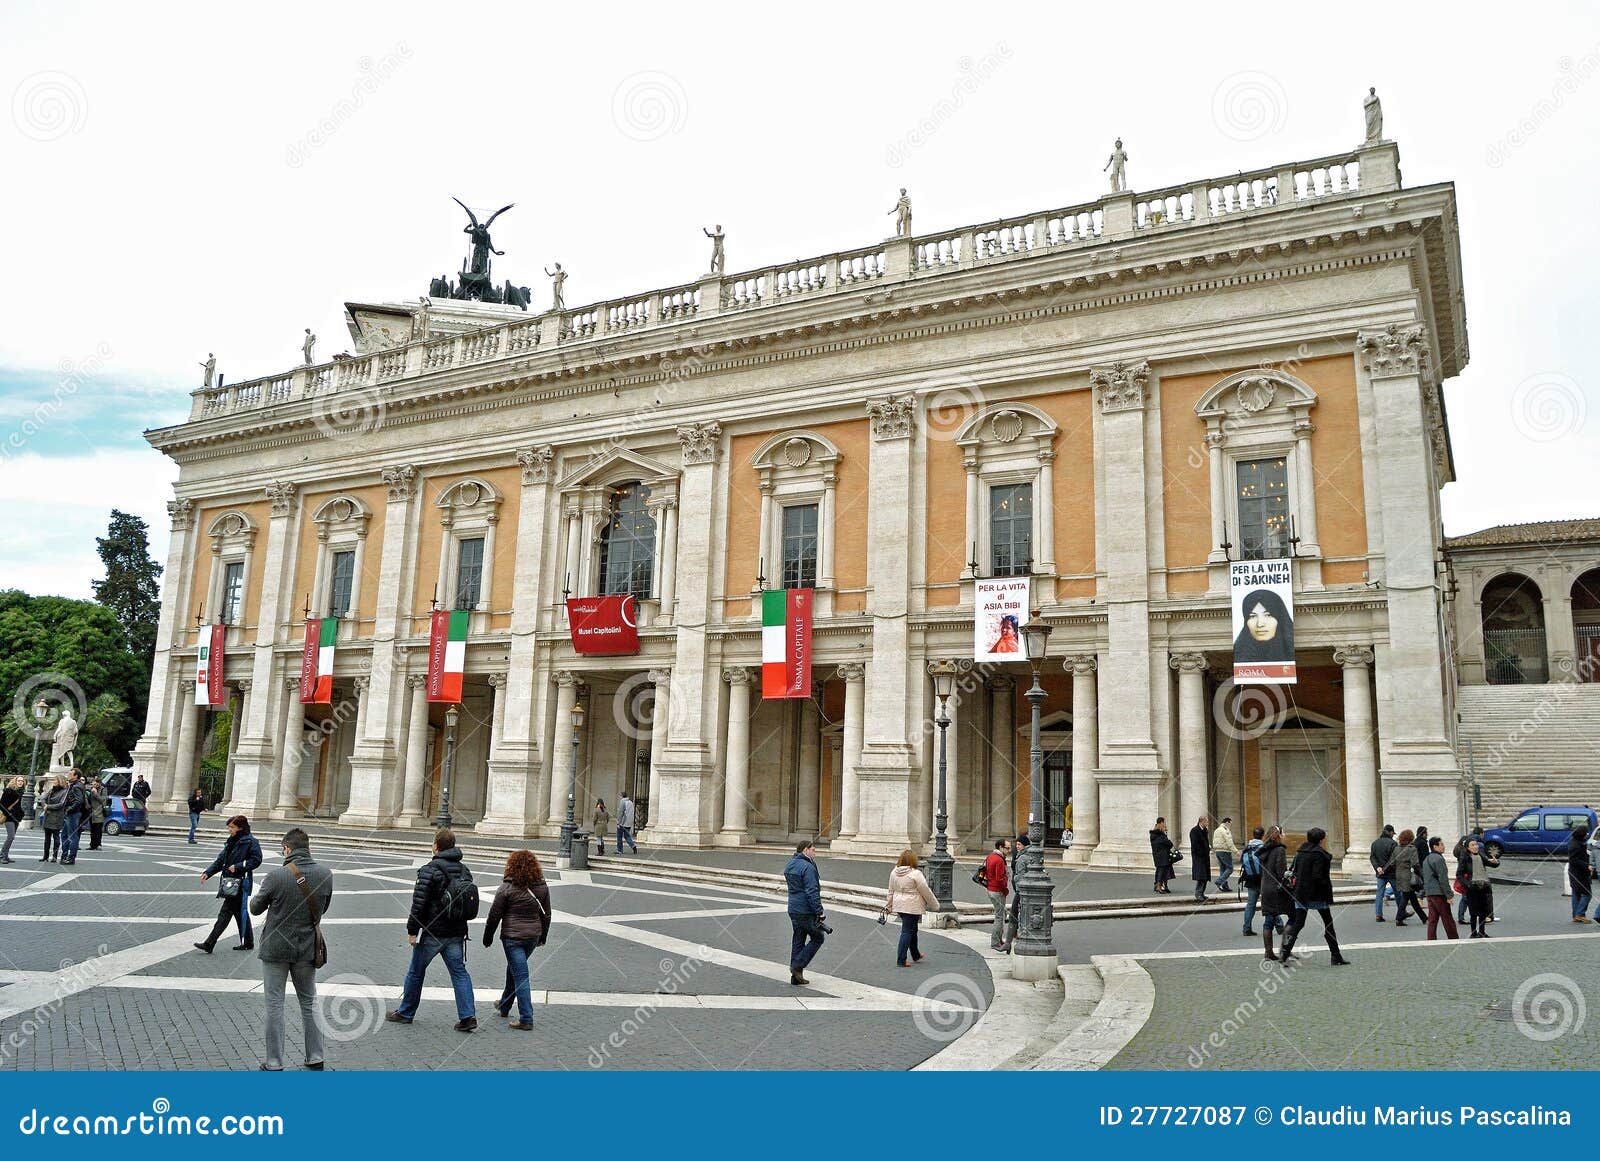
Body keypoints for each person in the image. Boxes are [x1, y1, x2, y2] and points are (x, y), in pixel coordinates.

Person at [249, 827, 333, 1071]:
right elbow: (323, 908)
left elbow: (255, 908)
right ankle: (316, 1056)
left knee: (274, 1003)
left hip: (276, 948)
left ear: (287, 848)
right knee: (309, 1002)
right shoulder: (326, 874)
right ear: (307, 848)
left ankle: (274, 1061)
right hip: (307, 947)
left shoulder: (276, 876)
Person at [388, 827, 478, 1031]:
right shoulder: (464, 870)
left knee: (416, 972)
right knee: (459, 973)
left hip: (431, 933)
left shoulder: (429, 869)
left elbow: (418, 904)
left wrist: (412, 931)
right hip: (455, 932)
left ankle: (405, 1012)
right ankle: (468, 1016)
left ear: (436, 847)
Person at [482, 850, 551, 1030]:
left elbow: (494, 916)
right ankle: (504, 1004)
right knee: (514, 968)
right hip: (532, 936)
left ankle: (526, 1018)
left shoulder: (506, 888)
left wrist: (487, 938)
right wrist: (542, 936)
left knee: (520, 975)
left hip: (513, 938)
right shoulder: (542, 887)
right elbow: (546, 915)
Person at [1278, 826, 1350, 966]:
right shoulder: (1320, 855)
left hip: (1300, 893)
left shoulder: (1300, 852)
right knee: (1328, 924)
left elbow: (1294, 870)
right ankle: (1335, 955)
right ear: (1321, 840)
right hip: (1317, 894)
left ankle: (1284, 953)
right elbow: (1318, 877)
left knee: (1298, 924)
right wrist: (1326, 888)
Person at [194, 815, 263, 952]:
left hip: (240, 883)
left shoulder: (251, 842)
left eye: (232, 827)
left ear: (240, 828)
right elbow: (220, 860)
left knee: (225, 913)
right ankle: (248, 942)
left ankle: (209, 943)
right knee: (239, 912)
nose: (229, 830)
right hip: (229, 882)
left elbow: (256, 860)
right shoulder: (231, 841)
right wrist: (208, 872)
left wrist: (238, 866)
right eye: (229, 827)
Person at [884, 850, 940, 967]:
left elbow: (891, 891)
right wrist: (935, 905)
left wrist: (888, 905)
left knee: (912, 929)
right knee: (907, 931)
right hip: (912, 906)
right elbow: (926, 891)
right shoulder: (916, 874)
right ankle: (901, 959)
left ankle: (915, 954)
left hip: (899, 905)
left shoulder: (894, 872)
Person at [784, 839, 826, 986]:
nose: (815, 853)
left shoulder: (790, 864)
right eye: (813, 850)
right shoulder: (807, 867)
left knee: (798, 939)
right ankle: (797, 965)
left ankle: (796, 977)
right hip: (805, 909)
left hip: (793, 908)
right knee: (818, 937)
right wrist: (819, 911)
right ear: (805, 850)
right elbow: (811, 891)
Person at [1231, 589, 1295, 669]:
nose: (1260, 624)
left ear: (1280, 618)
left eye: (1267, 615)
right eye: (1253, 616)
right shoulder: (1240, 655)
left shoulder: (1289, 653)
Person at [1257, 826, 1291, 961]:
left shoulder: (1263, 850)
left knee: (1268, 921)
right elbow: (1281, 872)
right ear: (1279, 835)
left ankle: (1268, 952)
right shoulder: (1280, 850)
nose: (1285, 835)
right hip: (1276, 888)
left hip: (1265, 886)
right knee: (1294, 918)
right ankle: (1285, 949)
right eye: (1283, 832)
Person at [1239, 826, 1275, 937]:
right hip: (1263, 880)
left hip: (1250, 879)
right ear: (1263, 835)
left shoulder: (1247, 847)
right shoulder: (1264, 847)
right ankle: (1279, 926)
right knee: (1270, 904)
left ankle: (1246, 928)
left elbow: (1243, 863)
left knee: (1250, 905)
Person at [1422, 835, 1459, 940]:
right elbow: (1443, 878)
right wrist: (1449, 895)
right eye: (1441, 844)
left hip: (1429, 892)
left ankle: (1431, 938)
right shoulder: (1439, 859)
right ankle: (1453, 938)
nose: (1444, 847)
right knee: (1447, 917)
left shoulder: (1426, 859)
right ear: (1435, 846)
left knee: (1433, 918)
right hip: (1439, 893)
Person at [1457, 836, 1494, 938]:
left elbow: (1490, 863)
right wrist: (1468, 884)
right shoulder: (1465, 858)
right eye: (1472, 845)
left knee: (1483, 911)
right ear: (1468, 848)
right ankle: (1473, 932)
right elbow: (1459, 874)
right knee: (1473, 912)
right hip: (1472, 887)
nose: (1475, 846)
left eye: (1476, 844)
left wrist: (1496, 862)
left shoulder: (1481, 855)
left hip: (1484, 885)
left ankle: (1482, 931)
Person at [1390, 828, 1428, 927]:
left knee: (1412, 897)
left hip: (1399, 874)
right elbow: (1415, 864)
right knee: (1406, 897)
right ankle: (1398, 918)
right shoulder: (1412, 848)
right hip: (1408, 875)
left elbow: (1392, 863)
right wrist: (1422, 875)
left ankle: (1424, 918)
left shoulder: (1396, 849)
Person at [983, 838, 1010, 952]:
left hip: (990, 889)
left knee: (1000, 915)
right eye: (1007, 848)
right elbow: (1000, 879)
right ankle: (995, 942)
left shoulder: (990, 856)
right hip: (997, 890)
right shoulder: (999, 860)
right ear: (1001, 847)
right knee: (999, 917)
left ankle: (998, 940)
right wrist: (1005, 889)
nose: (1009, 850)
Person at [1370, 824, 1398, 922]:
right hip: (1391, 873)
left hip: (1380, 873)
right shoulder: (1393, 844)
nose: (1393, 835)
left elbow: (1372, 857)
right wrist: (1385, 868)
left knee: (1379, 893)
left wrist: (1378, 868)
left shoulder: (1375, 843)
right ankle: (1400, 913)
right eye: (1392, 833)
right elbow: (1393, 859)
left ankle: (1378, 915)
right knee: (1397, 892)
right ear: (1390, 832)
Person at [59, 768, 87, 865]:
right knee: (65, 835)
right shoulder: (74, 785)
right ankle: (65, 855)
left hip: (73, 814)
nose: (68, 775)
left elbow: (79, 801)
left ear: (76, 776)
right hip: (72, 813)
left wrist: (69, 809)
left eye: (70, 774)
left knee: (72, 836)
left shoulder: (77, 786)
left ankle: (70, 857)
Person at [1568, 824, 1595, 923]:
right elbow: (1574, 860)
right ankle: (1580, 914)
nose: (1587, 834)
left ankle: (1576, 915)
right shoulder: (1576, 845)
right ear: (1582, 834)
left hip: (1574, 872)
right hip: (1579, 873)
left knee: (1576, 893)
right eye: (1586, 833)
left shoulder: (1574, 841)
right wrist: (1587, 866)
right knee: (1587, 894)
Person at [38, 776, 67, 862]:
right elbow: (43, 798)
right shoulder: (51, 790)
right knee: (47, 838)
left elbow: (61, 804)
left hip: (57, 817)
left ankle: (54, 856)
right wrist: (44, 806)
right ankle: (45, 856)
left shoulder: (64, 792)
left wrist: (48, 806)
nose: (54, 782)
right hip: (48, 816)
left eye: (55, 780)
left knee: (56, 837)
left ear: (60, 781)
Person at [0, 776, 24, 863]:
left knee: (11, 837)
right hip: (9, 817)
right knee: (11, 836)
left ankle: (5, 855)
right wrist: (7, 813)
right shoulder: (8, 791)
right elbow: (1, 804)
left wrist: (21, 812)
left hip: (16, 816)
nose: (21, 782)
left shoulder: (20, 792)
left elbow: (18, 805)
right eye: (19, 780)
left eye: (22, 781)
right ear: (15, 781)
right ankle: (2, 855)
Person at [1149, 818, 1176, 893]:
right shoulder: (1160, 835)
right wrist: (1165, 836)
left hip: (1159, 855)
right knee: (1161, 871)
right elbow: (1169, 844)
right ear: (1161, 823)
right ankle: (1159, 886)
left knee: (1163, 870)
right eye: (1164, 823)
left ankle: (1162, 886)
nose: (1165, 824)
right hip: (1162, 856)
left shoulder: (1154, 835)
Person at [1189, 815, 1212, 901]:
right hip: (1199, 857)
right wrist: (1202, 852)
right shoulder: (1194, 831)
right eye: (1206, 822)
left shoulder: (1205, 830)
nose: (1207, 823)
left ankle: (1202, 893)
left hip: (1205, 857)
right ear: (1201, 821)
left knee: (1205, 876)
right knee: (1201, 876)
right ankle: (1198, 893)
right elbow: (1195, 845)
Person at [1212, 816, 1238, 892]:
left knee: (1223, 868)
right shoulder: (1225, 830)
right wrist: (1235, 851)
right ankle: (1219, 881)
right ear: (1227, 822)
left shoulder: (1217, 830)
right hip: (1225, 851)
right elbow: (1229, 842)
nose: (1230, 825)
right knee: (1230, 868)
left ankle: (1225, 886)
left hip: (1218, 851)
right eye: (1230, 824)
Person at [87, 779, 107, 851]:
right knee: (92, 830)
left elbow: (103, 800)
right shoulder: (91, 790)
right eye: (94, 784)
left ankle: (98, 844)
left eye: (96, 784)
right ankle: (92, 844)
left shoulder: (103, 789)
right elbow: (88, 800)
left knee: (98, 830)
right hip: (92, 812)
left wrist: (95, 794)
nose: (95, 785)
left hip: (99, 812)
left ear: (99, 784)